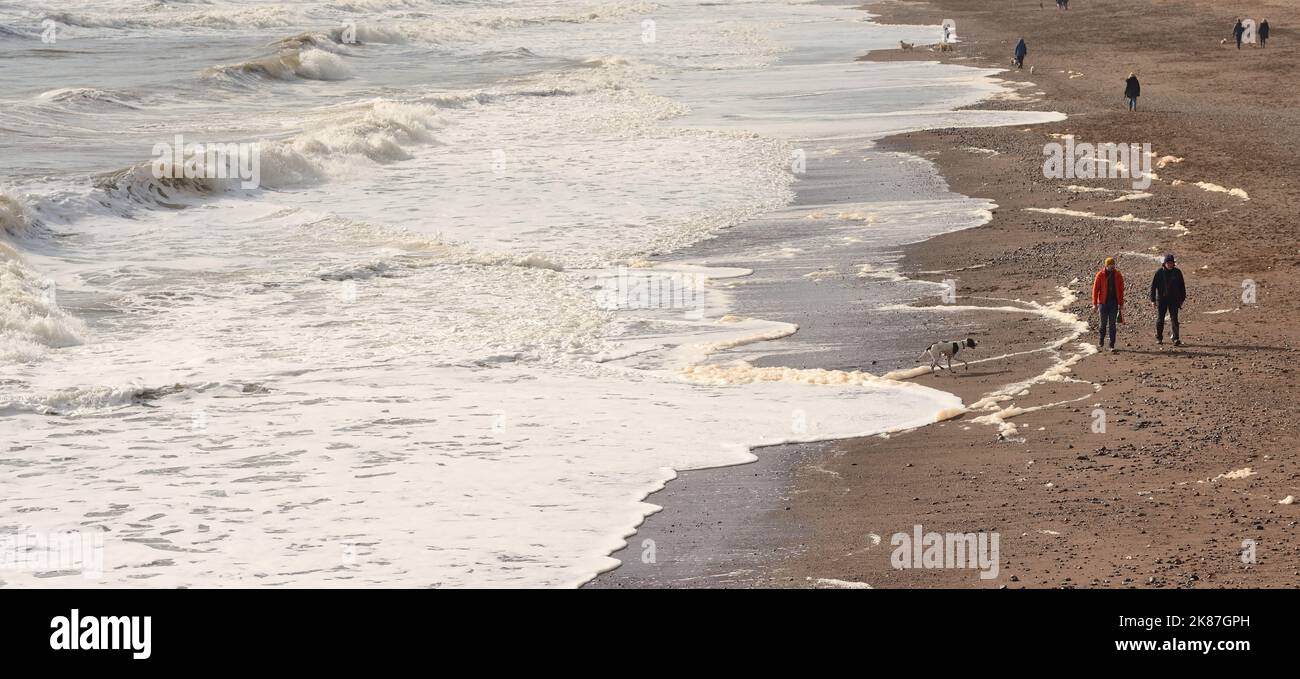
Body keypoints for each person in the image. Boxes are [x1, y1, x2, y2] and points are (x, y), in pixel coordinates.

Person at [1149, 254, 1187, 346]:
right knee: (1160, 319)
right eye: (1168, 263)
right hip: (1162, 300)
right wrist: (1153, 300)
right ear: (1164, 263)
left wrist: (1182, 298)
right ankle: (1159, 337)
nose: (1170, 264)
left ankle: (1176, 338)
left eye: (1171, 263)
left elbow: (1182, 286)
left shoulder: (1177, 272)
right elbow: (1153, 287)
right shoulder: (1159, 273)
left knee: (1174, 319)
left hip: (1174, 300)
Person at [1092, 257, 1125, 352]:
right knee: (1102, 324)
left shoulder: (1118, 275)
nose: (1112, 267)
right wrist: (1094, 303)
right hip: (1103, 303)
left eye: (1113, 265)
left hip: (1113, 303)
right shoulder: (1100, 275)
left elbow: (1121, 290)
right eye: (1109, 265)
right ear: (1105, 266)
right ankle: (1101, 339)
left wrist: (1121, 303)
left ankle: (1112, 344)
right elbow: (1095, 289)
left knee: (1112, 325)